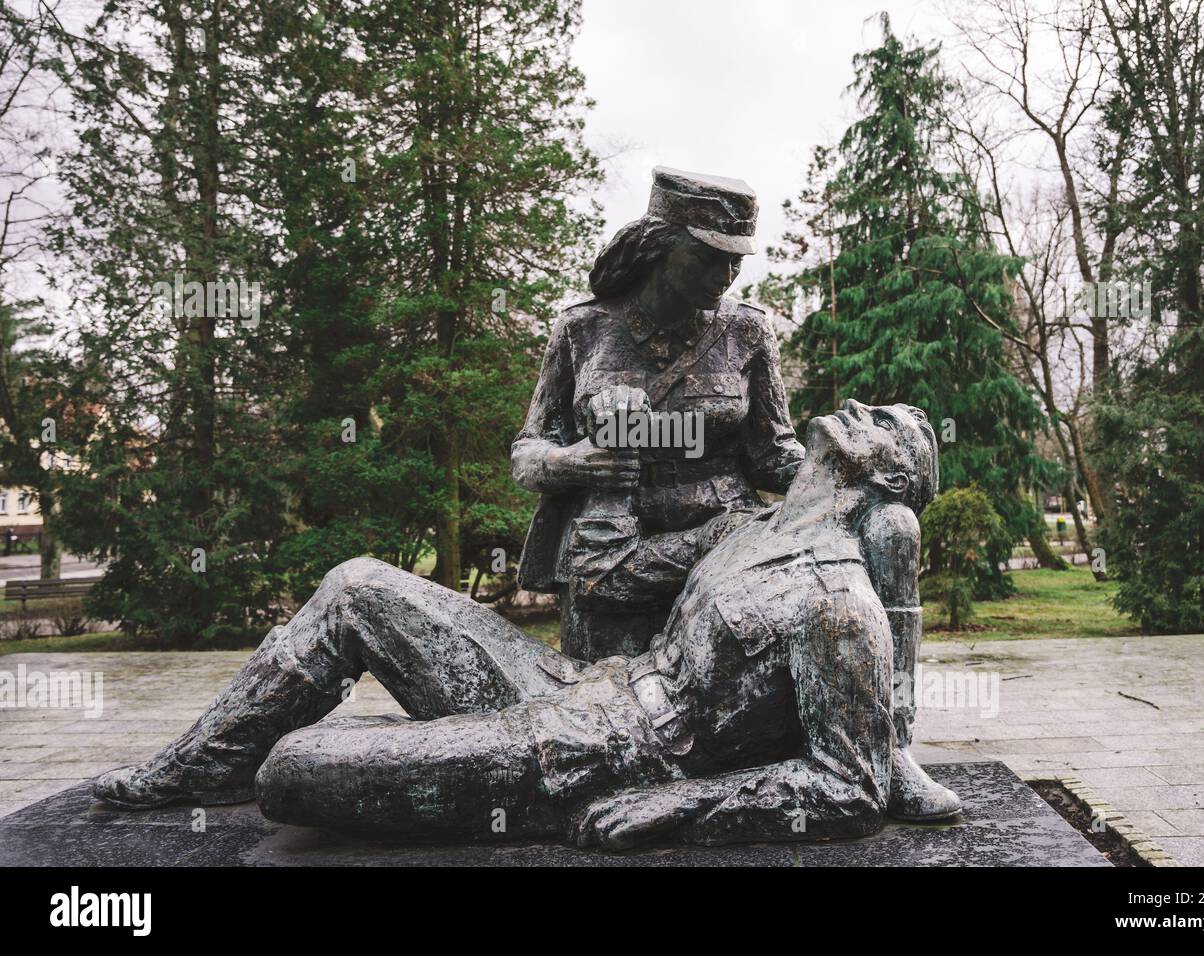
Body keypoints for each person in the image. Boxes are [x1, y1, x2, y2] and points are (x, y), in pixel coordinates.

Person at [92, 401, 960, 847]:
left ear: (890, 480)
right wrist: (598, 475)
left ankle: (437, 759)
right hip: (579, 690)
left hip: (606, 755)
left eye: (889, 427)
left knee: (292, 774)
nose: (864, 413)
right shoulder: (749, 526)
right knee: (357, 586)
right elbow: (612, 571)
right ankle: (197, 768)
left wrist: (676, 804)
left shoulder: (841, 606)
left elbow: (848, 790)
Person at [512, 166, 805, 662]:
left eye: (735, 262)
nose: (725, 276)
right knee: (603, 712)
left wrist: (839, 472)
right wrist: (573, 462)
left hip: (723, 545)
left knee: (725, 713)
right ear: (659, 246)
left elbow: (773, 452)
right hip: (609, 546)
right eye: (709, 258)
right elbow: (526, 453)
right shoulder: (583, 329)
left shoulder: (748, 332)